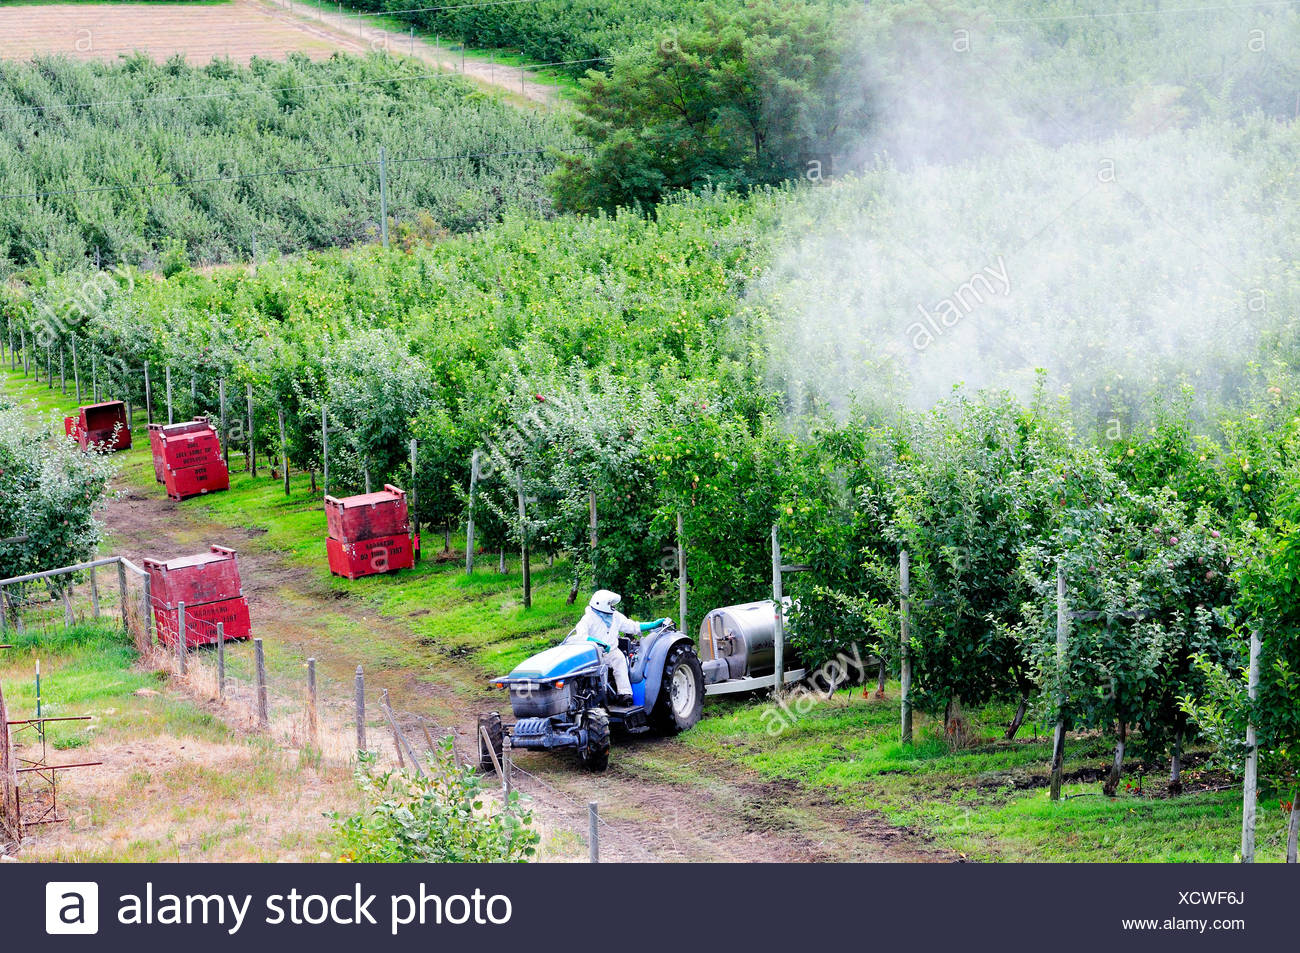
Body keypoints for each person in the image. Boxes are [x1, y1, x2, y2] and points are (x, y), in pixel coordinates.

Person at [575, 590, 669, 707]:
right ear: (602, 604)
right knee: (597, 671)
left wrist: (653, 624)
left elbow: (632, 626)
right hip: (593, 654)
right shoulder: (588, 618)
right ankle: (600, 695)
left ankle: (625, 693)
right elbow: (581, 636)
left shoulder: (615, 616)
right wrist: (599, 643)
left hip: (612, 652)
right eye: (610, 604)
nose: (612, 607)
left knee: (620, 659)